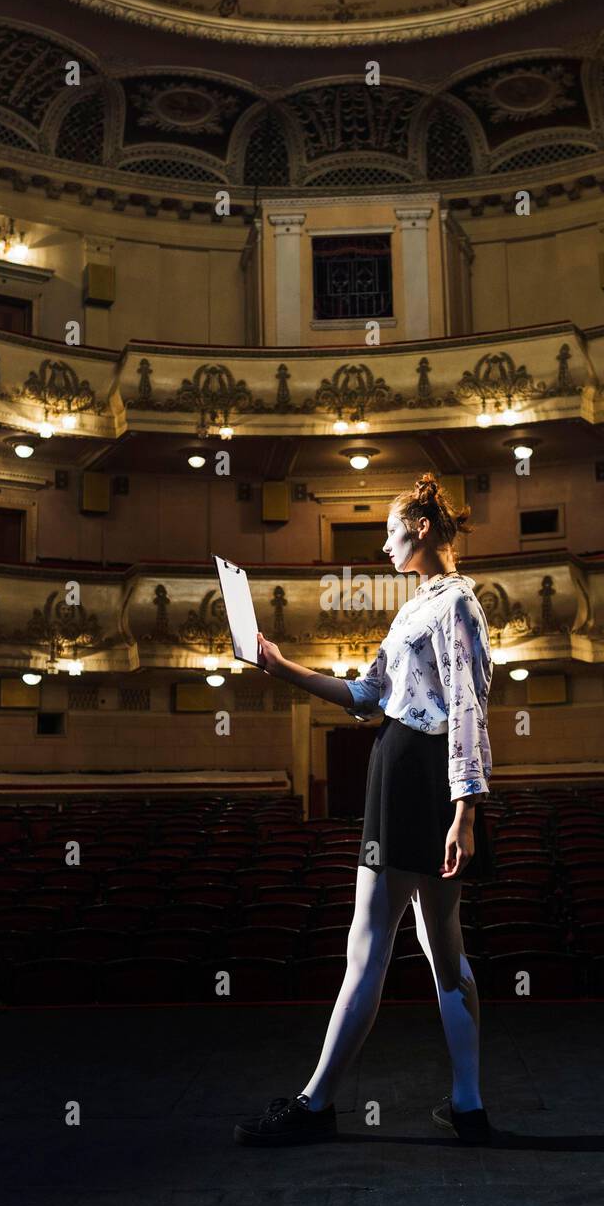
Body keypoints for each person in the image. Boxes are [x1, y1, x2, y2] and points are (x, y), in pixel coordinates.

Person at [234, 473, 494, 1146]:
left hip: (419, 776)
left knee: (370, 945)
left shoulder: (457, 604)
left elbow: (469, 707)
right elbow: (364, 692)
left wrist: (464, 810)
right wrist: (282, 667)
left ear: (423, 529)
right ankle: (468, 1106)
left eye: (390, 531)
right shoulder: (414, 608)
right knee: (441, 950)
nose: (382, 545)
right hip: (405, 767)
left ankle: (316, 1104)